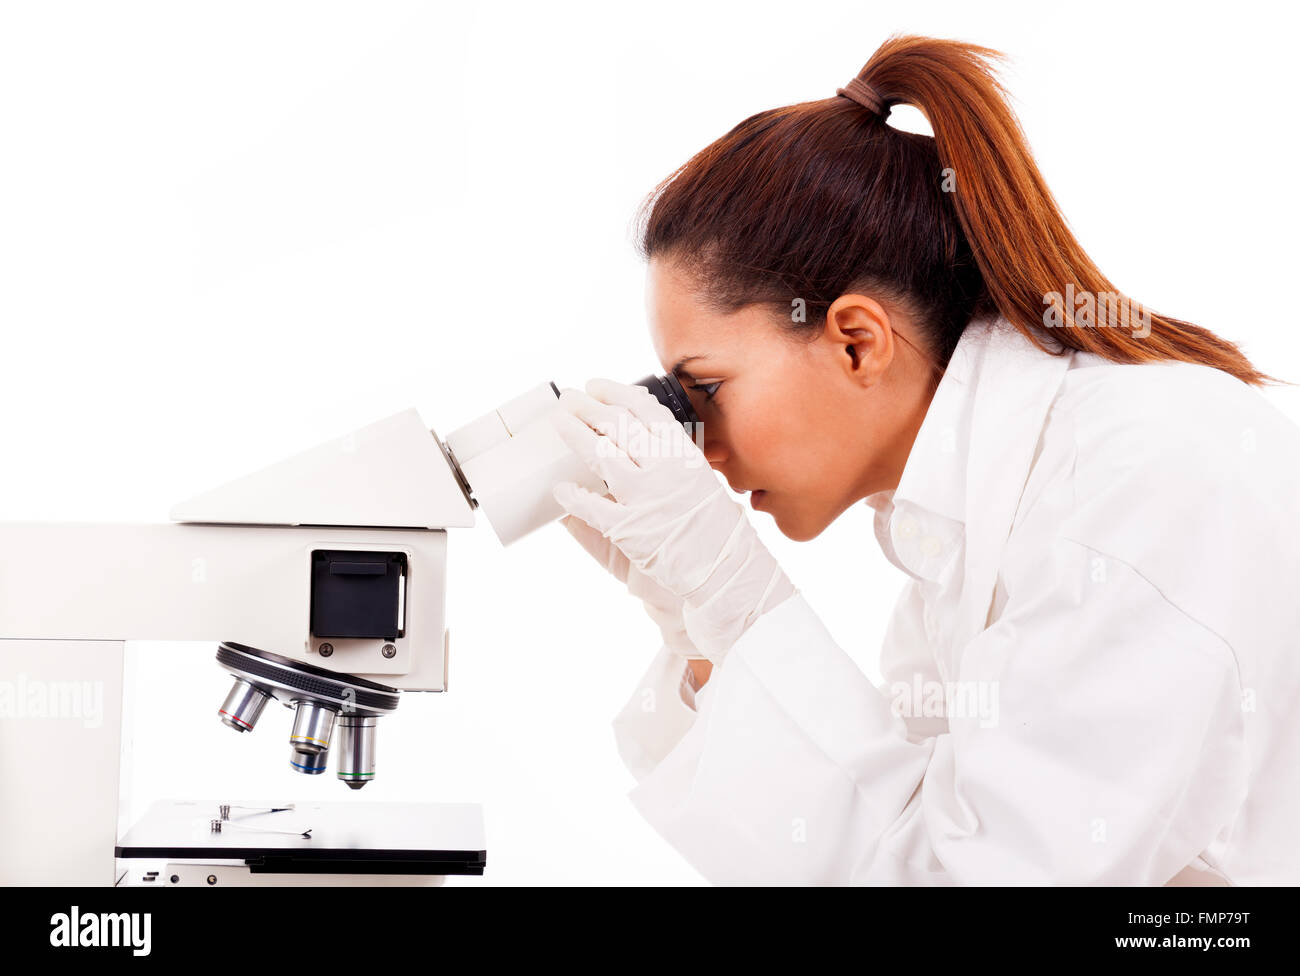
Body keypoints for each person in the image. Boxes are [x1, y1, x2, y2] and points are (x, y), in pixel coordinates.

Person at [546, 34, 1300, 884]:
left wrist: (741, 601)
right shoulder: (965, 529)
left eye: (708, 389)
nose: (704, 451)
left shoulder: (1135, 485)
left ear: (858, 342)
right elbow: (889, 837)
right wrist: (702, 628)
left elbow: (967, 875)